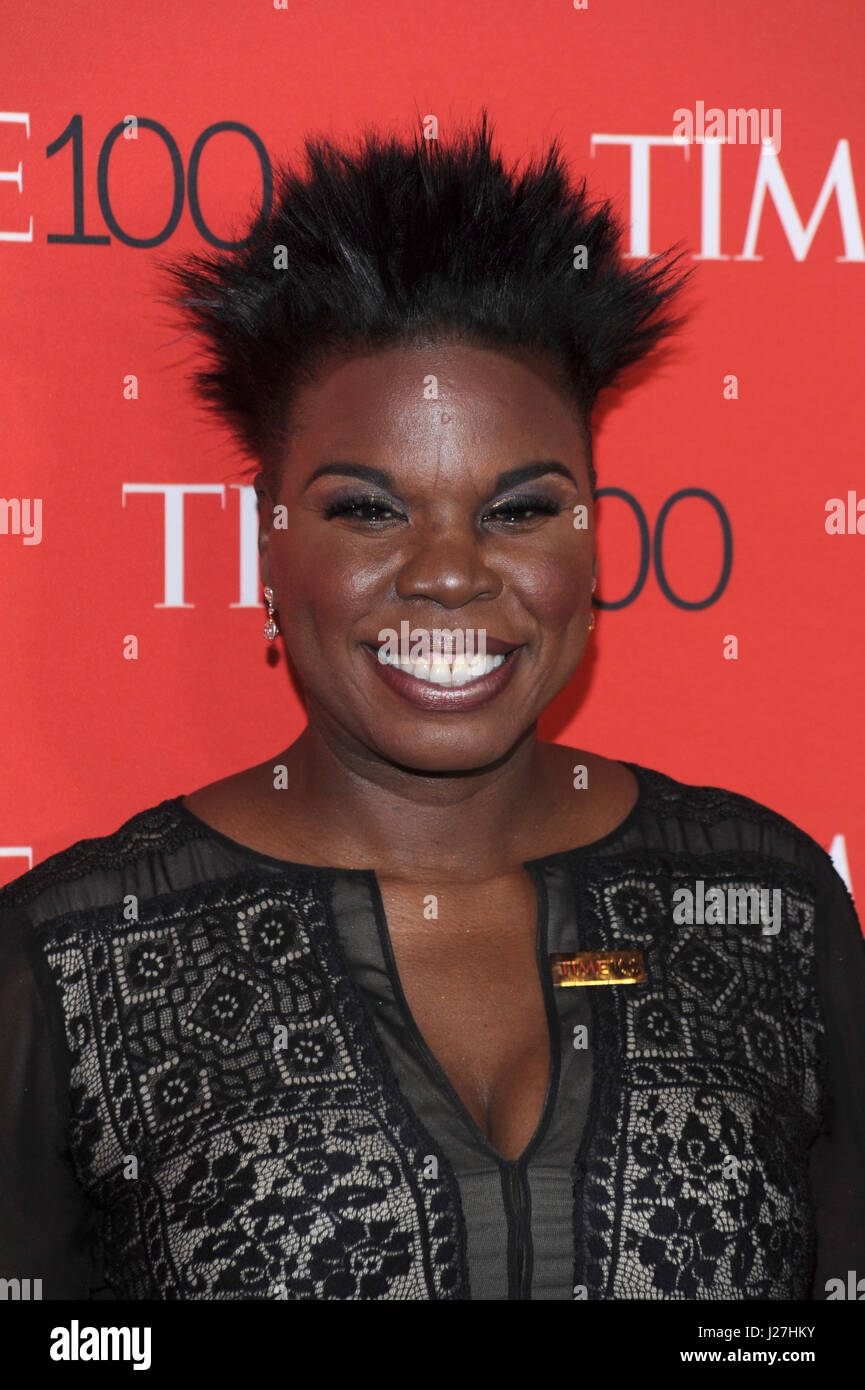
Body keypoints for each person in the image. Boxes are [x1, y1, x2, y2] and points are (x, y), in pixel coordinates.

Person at [1, 113, 863, 1301]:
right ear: (272, 547)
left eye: (517, 510)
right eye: (369, 510)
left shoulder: (771, 907)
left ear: (594, 545)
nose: (450, 572)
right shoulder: (63, 957)